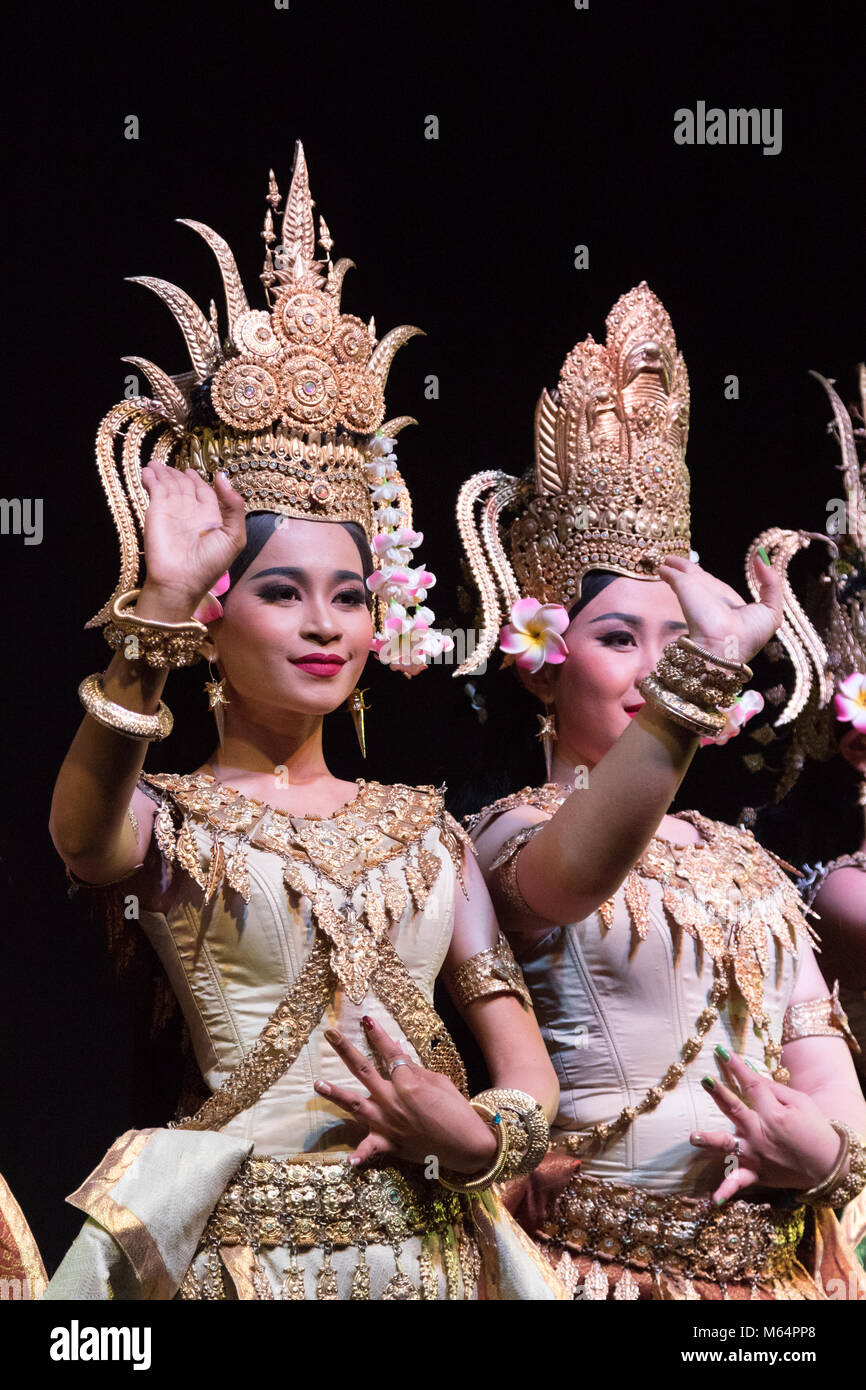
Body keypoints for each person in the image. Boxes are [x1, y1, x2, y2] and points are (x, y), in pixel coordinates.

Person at [44, 143, 563, 1301]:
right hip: (241, 1262)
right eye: (283, 592)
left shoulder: (427, 831)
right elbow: (82, 834)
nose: (326, 624)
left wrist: (476, 1136)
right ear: (219, 620)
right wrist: (154, 621)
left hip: (432, 1254)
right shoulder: (173, 821)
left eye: (352, 594)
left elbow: (523, 1071)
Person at [453, 284, 866, 1299]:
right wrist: (692, 692)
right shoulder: (507, 836)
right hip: (594, 1270)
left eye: (676, 643)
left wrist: (820, 1150)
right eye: (615, 639)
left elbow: (821, 1066)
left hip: (768, 1284)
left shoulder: (743, 857)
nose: (652, 666)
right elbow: (584, 867)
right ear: (539, 662)